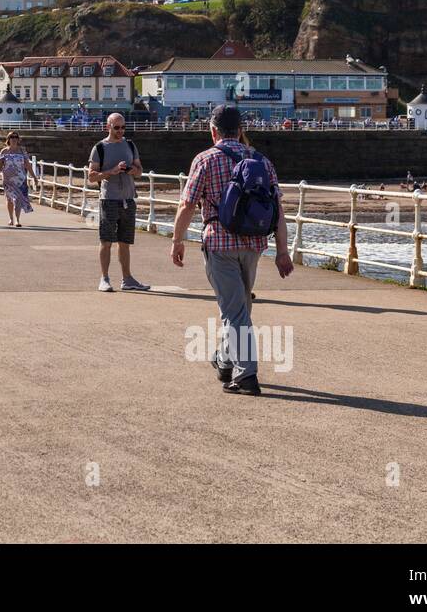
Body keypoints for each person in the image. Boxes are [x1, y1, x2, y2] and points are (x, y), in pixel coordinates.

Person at [170, 106, 293, 396]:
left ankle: (247, 376)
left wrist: (177, 240)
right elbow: (278, 211)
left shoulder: (205, 159)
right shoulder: (262, 160)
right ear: (240, 130)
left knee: (235, 311)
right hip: (253, 245)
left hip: (219, 244)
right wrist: (282, 251)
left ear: (213, 131)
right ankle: (224, 361)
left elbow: (187, 205)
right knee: (239, 307)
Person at [87, 113, 150, 292]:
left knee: (125, 242)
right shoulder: (99, 148)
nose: (120, 131)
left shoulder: (130, 145)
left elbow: (139, 171)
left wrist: (131, 170)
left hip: (128, 199)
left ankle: (127, 279)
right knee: (106, 240)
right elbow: (91, 176)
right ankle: (104, 278)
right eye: (116, 128)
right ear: (108, 127)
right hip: (109, 199)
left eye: (123, 127)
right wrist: (112, 171)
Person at [0, 131, 38, 226]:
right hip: (8, 180)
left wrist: (34, 177)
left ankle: (17, 220)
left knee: (18, 199)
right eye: (11, 137)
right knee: (9, 200)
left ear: (18, 139)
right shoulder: (4, 151)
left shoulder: (22, 151)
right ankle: (11, 218)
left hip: (20, 180)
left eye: (15, 137)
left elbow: (28, 165)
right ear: (8, 139)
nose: (13, 139)